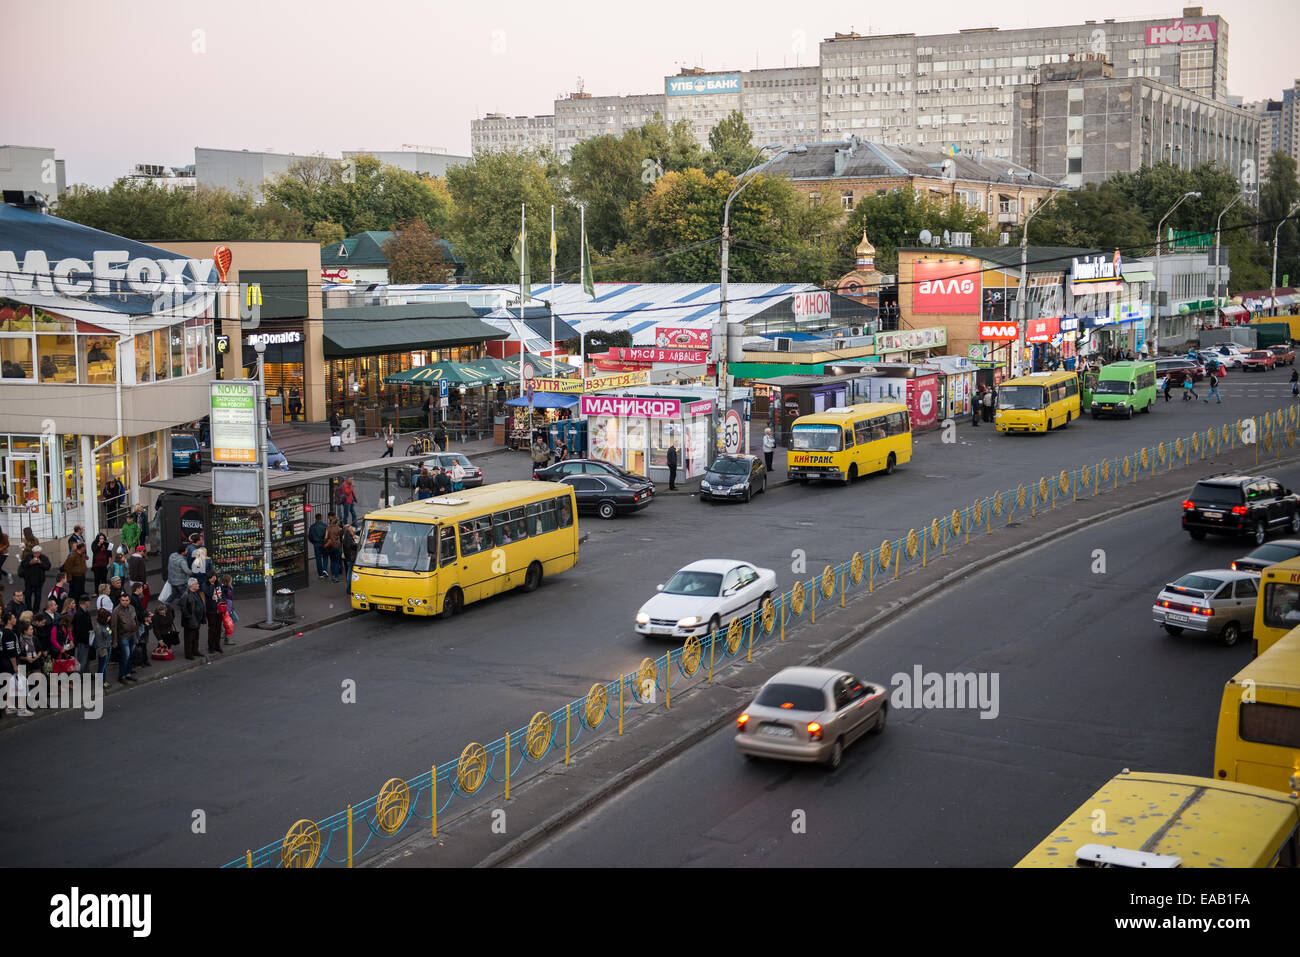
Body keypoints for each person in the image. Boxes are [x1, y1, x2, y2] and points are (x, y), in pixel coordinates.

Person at [110, 591, 138, 684]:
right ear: (120, 600)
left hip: (133, 635)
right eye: (123, 600)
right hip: (123, 636)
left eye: (126, 600)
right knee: (125, 655)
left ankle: (128, 673)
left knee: (131, 655)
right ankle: (121, 676)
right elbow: (114, 627)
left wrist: (137, 636)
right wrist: (114, 641)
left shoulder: (132, 608)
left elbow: (136, 622)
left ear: (129, 601)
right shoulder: (116, 611)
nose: (125, 602)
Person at [178, 578, 206, 660]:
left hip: (197, 620)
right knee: (189, 638)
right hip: (190, 621)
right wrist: (189, 617)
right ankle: (188, 654)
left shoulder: (196, 593)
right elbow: (183, 608)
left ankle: (195, 651)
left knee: (196, 637)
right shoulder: (186, 595)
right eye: (196, 584)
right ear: (191, 585)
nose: (198, 585)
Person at [19, 545, 50, 613]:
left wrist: (40, 563)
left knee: (38, 596)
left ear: (40, 552)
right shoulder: (28, 557)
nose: (35, 554)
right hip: (29, 580)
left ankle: (36, 610)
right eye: (34, 553)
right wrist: (30, 563)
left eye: (37, 553)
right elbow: (23, 565)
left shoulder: (44, 558)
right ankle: (28, 609)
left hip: (39, 581)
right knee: (27, 595)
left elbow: (47, 567)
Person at [201, 571, 224, 654]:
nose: (214, 578)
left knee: (218, 628)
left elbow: (222, 594)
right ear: (208, 578)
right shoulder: (205, 585)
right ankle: (211, 647)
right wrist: (212, 584)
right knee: (212, 629)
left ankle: (217, 646)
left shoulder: (219, 584)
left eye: (215, 577)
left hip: (219, 609)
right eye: (212, 577)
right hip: (211, 610)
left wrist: (223, 603)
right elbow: (210, 593)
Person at [72, 593, 93, 673]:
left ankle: (86, 674)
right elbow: (80, 631)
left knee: (86, 660)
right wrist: (87, 640)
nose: (90, 602)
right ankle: (79, 677)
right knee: (82, 661)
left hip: (86, 640)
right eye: (89, 601)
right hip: (82, 642)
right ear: (85, 602)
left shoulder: (85, 612)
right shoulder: (79, 614)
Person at [323, 517, 343, 584]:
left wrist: (326, 541)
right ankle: (336, 577)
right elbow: (341, 536)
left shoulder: (328, 528)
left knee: (332, 560)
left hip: (331, 546)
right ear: (337, 522)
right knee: (337, 562)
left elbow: (325, 537)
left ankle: (333, 575)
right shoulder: (339, 528)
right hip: (337, 546)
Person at [309, 514, 329, 579]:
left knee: (318, 559)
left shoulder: (312, 527)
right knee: (325, 556)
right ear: (321, 518)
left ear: (315, 518)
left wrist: (313, 542)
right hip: (323, 543)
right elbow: (327, 536)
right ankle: (325, 569)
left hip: (316, 544)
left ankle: (320, 574)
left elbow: (310, 537)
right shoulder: (325, 526)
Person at [341, 525, 358, 593]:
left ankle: (349, 588)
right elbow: (352, 546)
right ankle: (349, 589)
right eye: (350, 527)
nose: (353, 530)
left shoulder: (346, 536)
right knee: (350, 574)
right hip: (351, 558)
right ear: (348, 530)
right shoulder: (348, 537)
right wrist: (357, 544)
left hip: (348, 557)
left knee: (349, 573)